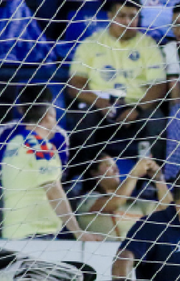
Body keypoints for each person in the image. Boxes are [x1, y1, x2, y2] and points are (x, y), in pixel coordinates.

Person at [66, 0, 170, 168]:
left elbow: (158, 87)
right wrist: (99, 102)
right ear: (110, 16)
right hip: (100, 107)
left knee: (156, 120)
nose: (127, 21)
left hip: (136, 108)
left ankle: (152, 181)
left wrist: (137, 109)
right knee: (84, 117)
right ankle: (81, 178)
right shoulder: (91, 43)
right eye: (121, 16)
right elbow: (75, 84)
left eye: (132, 16)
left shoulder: (148, 45)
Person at [0, 90, 102, 242]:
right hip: (37, 232)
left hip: (12, 231)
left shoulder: (15, 143)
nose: (56, 125)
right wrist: (77, 231)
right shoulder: (41, 147)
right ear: (48, 117)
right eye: (55, 118)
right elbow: (53, 190)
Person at [73, 154, 171, 240]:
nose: (116, 169)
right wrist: (134, 174)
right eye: (108, 165)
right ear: (94, 173)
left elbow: (169, 210)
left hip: (133, 256)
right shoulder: (86, 199)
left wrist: (159, 178)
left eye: (115, 166)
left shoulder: (134, 202)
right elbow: (115, 203)